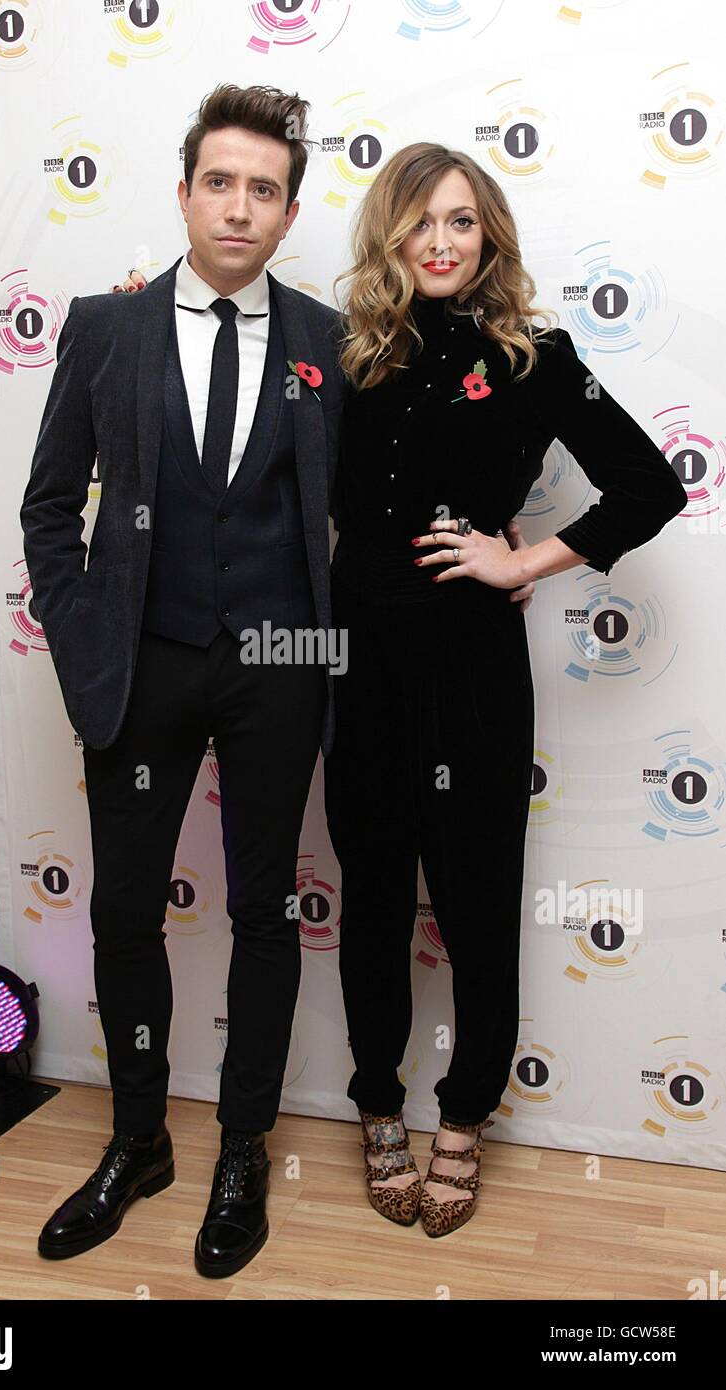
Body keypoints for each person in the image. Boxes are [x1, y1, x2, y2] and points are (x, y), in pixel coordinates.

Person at [322, 143, 687, 1237]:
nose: (441, 241)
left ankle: (464, 1117)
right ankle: (376, 1104)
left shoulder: (533, 355)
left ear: (489, 239)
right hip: (361, 661)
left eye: (463, 222)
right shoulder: (346, 358)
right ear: (389, 235)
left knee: (477, 903)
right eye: (420, 221)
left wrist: (521, 561)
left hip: (473, 667)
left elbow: (647, 484)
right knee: (374, 897)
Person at [20, 83, 346, 1277]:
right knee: (122, 910)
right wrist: (82, 631)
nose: (240, 206)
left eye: (265, 189)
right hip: (143, 665)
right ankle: (138, 1139)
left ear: (288, 209)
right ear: (185, 191)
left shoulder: (325, 342)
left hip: (279, 664)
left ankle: (243, 1148)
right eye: (221, 181)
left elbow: (355, 514)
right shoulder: (105, 331)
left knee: (265, 912)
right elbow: (51, 508)